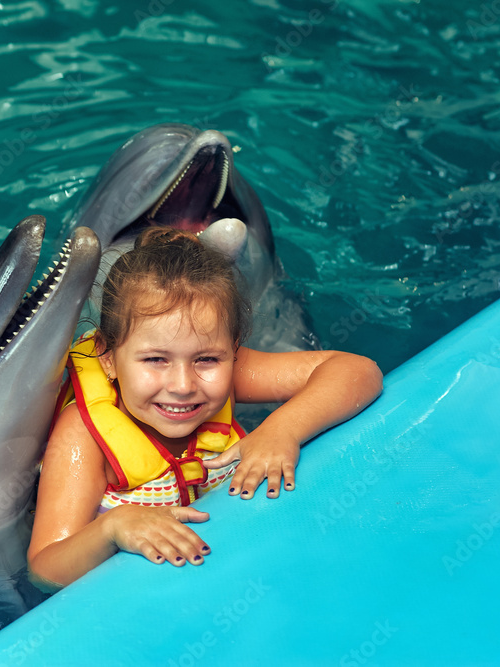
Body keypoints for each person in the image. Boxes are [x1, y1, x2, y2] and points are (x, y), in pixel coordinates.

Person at [27, 227, 383, 590]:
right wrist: (112, 528)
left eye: (207, 359)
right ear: (107, 357)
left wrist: (281, 431)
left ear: (232, 349)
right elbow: (45, 569)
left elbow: (359, 371)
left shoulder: (227, 376)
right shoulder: (84, 437)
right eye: (154, 359)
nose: (183, 385)